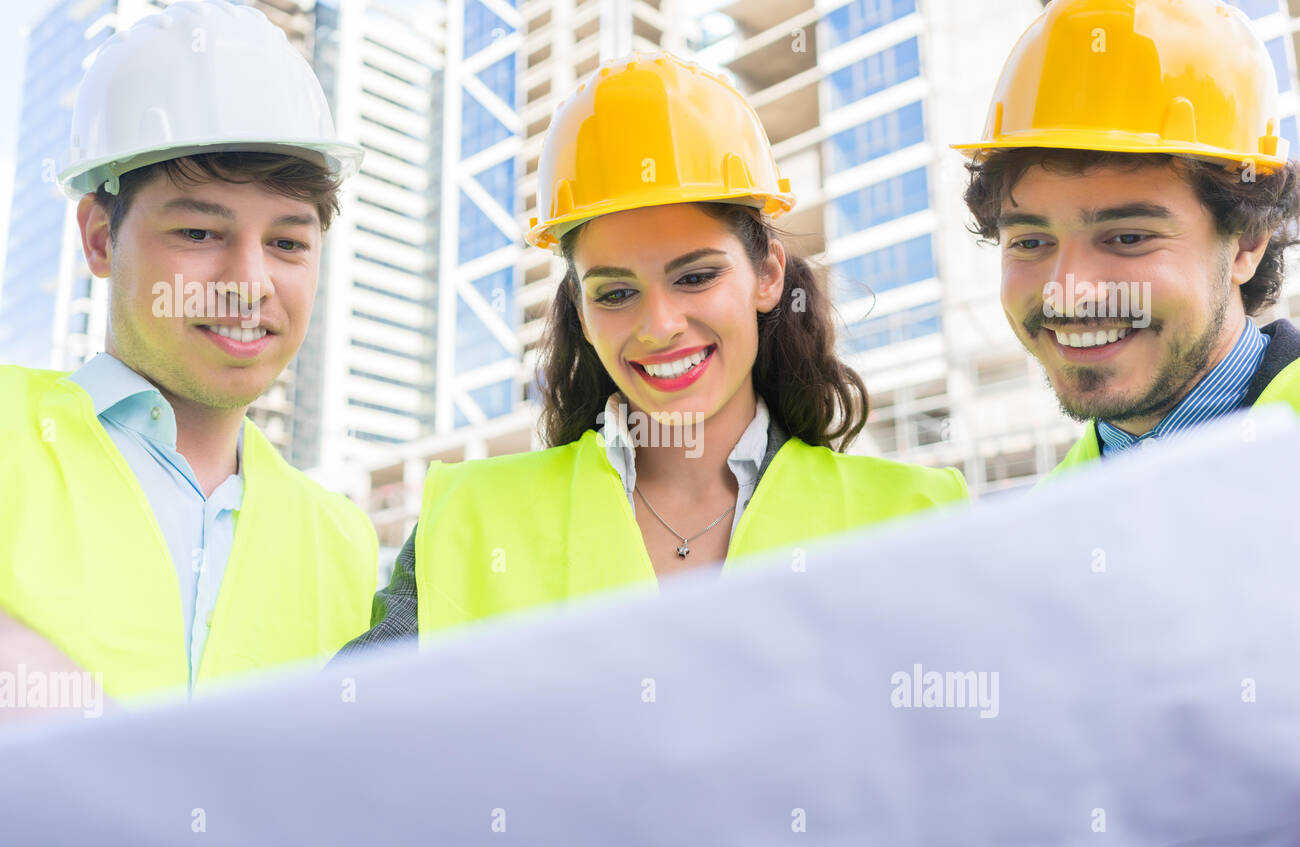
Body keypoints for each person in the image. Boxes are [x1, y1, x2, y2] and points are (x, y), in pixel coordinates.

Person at [338, 51, 967, 651]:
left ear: (768, 275)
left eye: (696, 277)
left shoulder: (915, 519)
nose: (659, 326)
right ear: (581, 310)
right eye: (616, 293)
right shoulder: (468, 519)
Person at [0, 0, 378, 703]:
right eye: (199, 233)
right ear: (100, 238)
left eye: (287, 242)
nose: (250, 283)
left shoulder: (342, 542)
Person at [954, 0, 1300, 476]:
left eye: (1128, 237)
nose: (1070, 293)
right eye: (1030, 242)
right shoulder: (1049, 512)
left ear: (1246, 245)